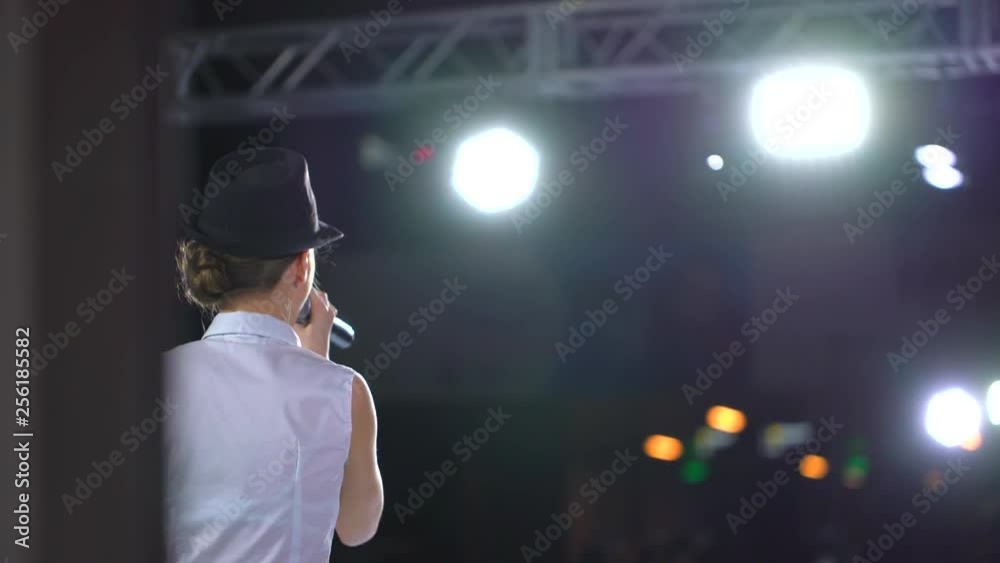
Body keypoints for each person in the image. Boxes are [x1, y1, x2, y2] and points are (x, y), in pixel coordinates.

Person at [163, 148, 383, 562]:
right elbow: (357, 527)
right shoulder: (343, 390)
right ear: (302, 267)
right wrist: (318, 365)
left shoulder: (157, 376)